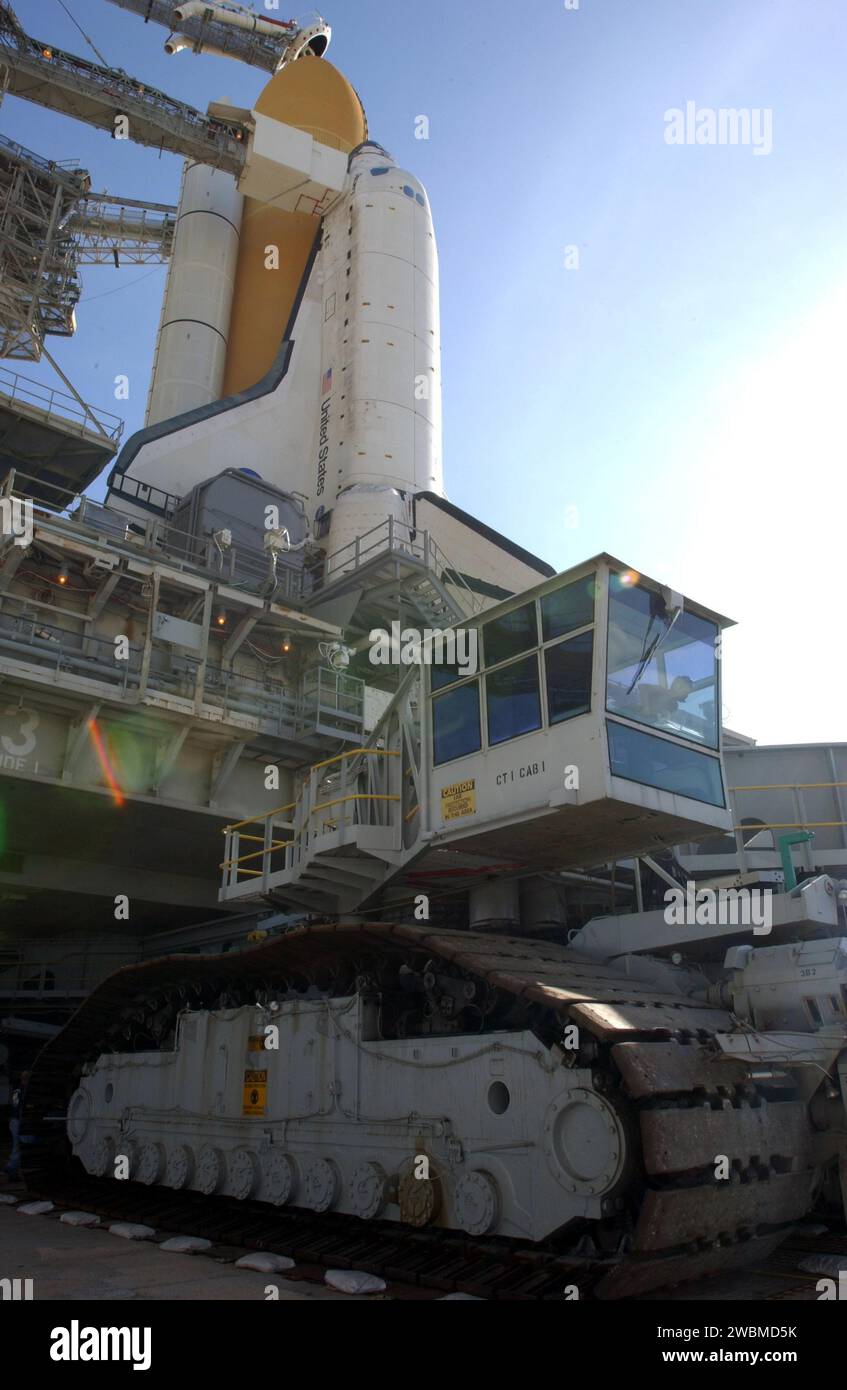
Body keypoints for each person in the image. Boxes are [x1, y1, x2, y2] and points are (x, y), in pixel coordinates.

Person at [5, 1071, 29, 1181]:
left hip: (15, 1120)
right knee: (18, 1147)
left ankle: (12, 1169)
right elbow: (16, 1106)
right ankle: (11, 1168)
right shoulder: (21, 1090)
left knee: (17, 1147)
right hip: (17, 1121)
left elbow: (14, 1104)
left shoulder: (17, 1089)